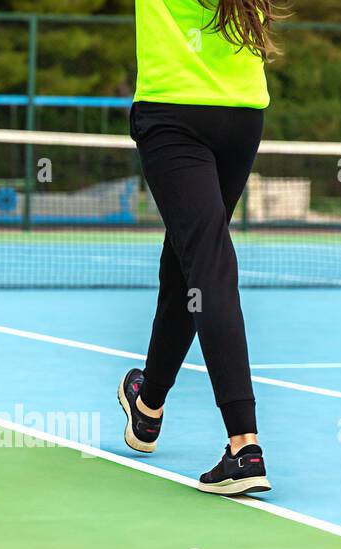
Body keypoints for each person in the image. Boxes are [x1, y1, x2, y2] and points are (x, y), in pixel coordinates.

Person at [118, 0, 283, 495]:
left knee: (206, 264)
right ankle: (148, 405)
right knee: (187, 262)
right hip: (241, 114)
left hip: (174, 110)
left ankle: (244, 447)